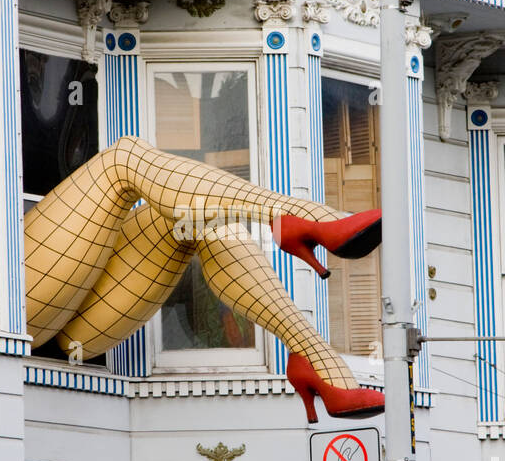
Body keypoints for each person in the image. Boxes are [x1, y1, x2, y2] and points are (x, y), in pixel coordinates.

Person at [24, 136, 385, 421]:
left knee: (204, 215)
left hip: (69, 327)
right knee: (124, 158)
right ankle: (305, 218)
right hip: (12, 307)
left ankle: (312, 352)